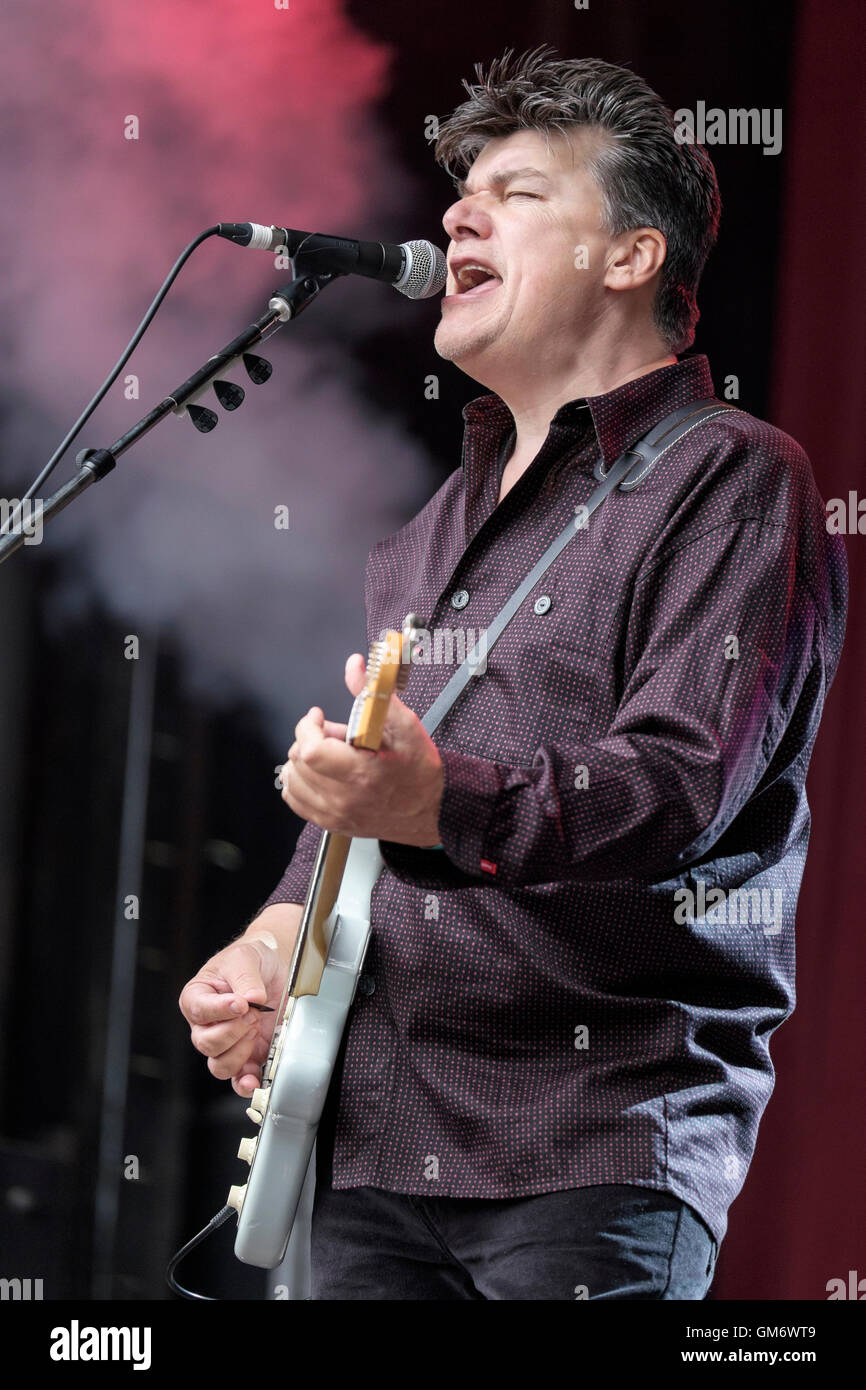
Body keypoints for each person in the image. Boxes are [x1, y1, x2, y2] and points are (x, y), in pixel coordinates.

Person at [179, 46, 847, 1299]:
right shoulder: (433, 525)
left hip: (588, 1140)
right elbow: (374, 813)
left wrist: (435, 797)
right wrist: (274, 942)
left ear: (630, 256)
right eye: (461, 193)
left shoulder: (733, 473)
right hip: (367, 1139)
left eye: (523, 193)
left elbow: (678, 784)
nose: (457, 215)